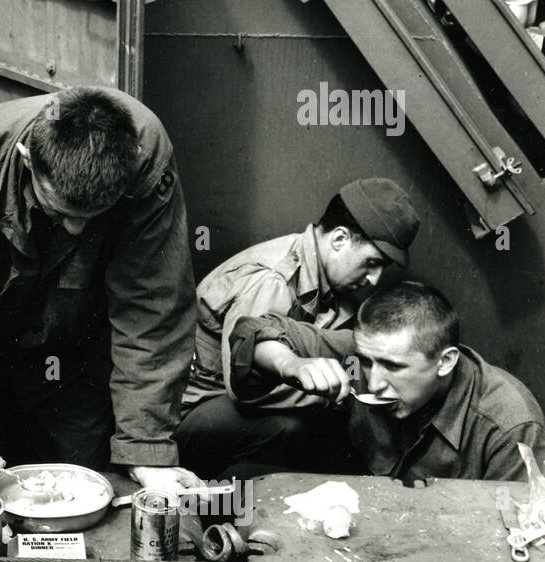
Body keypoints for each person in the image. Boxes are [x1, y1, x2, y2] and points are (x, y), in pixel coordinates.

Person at [0, 86, 199, 493]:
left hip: (79, 356)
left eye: (91, 219)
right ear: (28, 158)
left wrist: (145, 448)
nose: (76, 230)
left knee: (85, 493)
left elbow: (152, 308)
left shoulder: (145, 158)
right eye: (61, 213)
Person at [176, 178, 420, 474]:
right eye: (371, 262)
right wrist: (338, 392)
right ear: (340, 239)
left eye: (384, 268)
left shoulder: (331, 286)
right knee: (294, 428)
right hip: (193, 414)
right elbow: (246, 388)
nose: (375, 279)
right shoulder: (274, 281)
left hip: (223, 409)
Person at [227, 283, 545, 482]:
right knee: (239, 480)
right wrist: (291, 364)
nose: (375, 381)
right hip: (368, 502)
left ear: (446, 362)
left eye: (394, 367)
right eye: (367, 362)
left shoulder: (510, 426)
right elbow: (254, 330)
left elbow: (522, 541)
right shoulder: (363, 353)